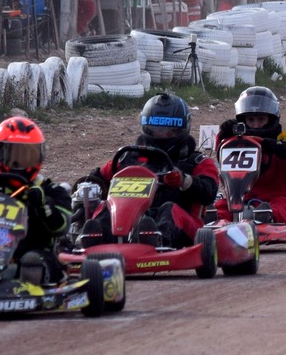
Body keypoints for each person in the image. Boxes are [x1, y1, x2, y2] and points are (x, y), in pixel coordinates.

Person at [81, 93, 222, 245]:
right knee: (106, 207)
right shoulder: (127, 158)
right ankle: (98, 237)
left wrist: (184, 181)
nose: (161, 134)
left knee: (169, 209)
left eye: (168, 130)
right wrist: (86, 187)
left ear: (181, 129)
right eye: (156, 129)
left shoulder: (196, 161)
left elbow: (209, 192)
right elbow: (98, 178)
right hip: (132, 219)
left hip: (182, 224)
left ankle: (155, 238)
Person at [0, 116, 76, 281]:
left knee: (35, 260)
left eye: (28, 156)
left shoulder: (50, 191)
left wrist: (43, 205)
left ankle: (31, 280)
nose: (20, 164)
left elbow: (62, 228)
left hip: (34, 250)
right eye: (14, 156)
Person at [216, 86, 286, 223]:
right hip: (241, 199)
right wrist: (223, 135)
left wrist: (279, 149)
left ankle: (267, 217)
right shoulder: (238, 142)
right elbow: (221, 155)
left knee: (281, 206)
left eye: (261, 119)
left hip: (274, 200)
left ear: (271, 119)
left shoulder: (284, 140)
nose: (256, 125)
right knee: (222, 206)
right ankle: (216, 219)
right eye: (251, 120)